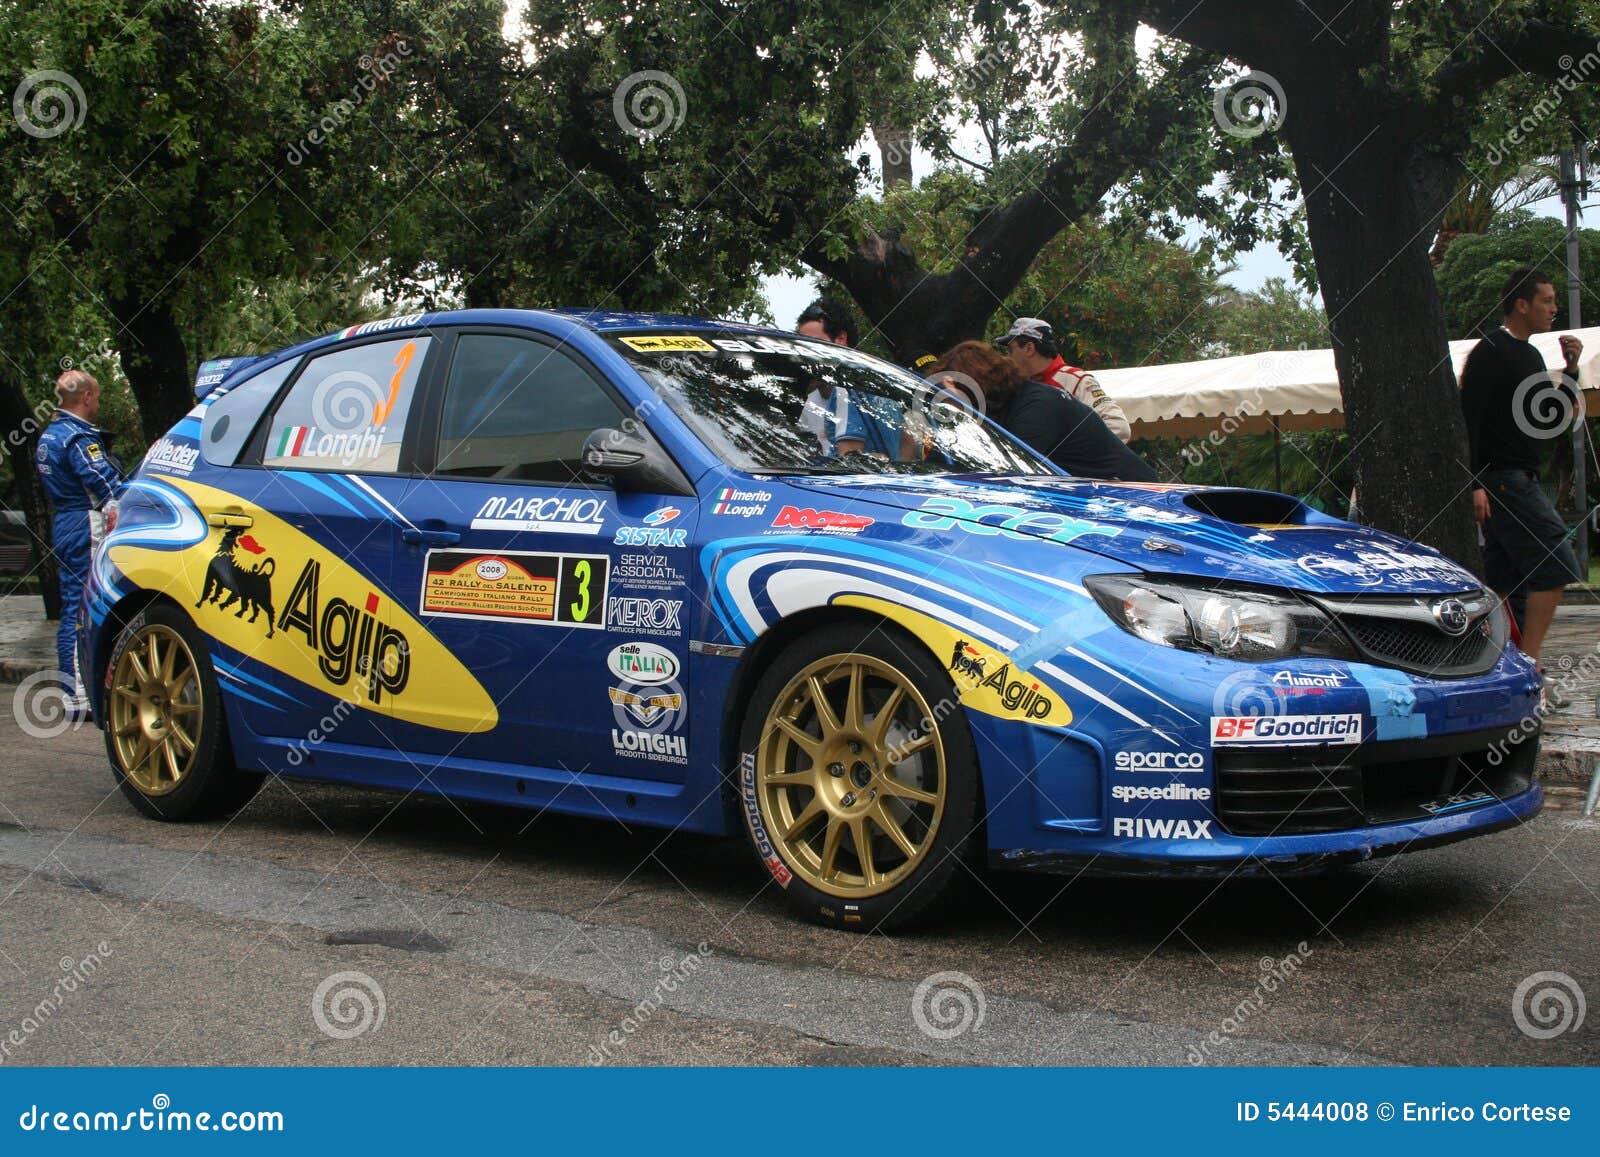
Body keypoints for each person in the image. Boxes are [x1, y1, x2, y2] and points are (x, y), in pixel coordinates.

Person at [1458, 266, 1584, 665]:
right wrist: (1474, 482)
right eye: (1547, 300)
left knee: (1503, 583)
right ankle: (1531, 664)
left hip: (1520, 476)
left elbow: (1548, 417)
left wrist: (1571, 369)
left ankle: (1502, 666)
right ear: (1521, 304)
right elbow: (1468, 419)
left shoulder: (1530, 355)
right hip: (1503, 480)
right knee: (1557, 565)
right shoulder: (1489, 352)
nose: (1554, 308)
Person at [934, 341, 1157, 481]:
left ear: (977, 385)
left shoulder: (1037, 405)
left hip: (1131, 494)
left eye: (959, 394)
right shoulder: (1011, 405)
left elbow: (1005, 475)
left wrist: (960, 415)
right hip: (1096, 497)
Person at [35, 369, 124, 712]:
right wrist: (119, 501)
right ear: (86, 397)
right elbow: (101, 478)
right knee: (81, 604)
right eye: (98, 397)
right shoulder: (78, 437)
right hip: (86, 522)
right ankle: (79, 695)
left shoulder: (49, 435)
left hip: (66, 520)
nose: (97, 403)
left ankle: (74, 690)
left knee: (72, 602)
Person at [997, 317, 1133, 442]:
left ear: (1029, 348)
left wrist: (1072, 458)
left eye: (1010, 349)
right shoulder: (1015, 386)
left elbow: (1119, 427)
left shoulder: (1076, 380)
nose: (1007, 357)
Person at [795, 298, 868, 456]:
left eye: (815, 344)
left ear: (841, 339)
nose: (807, 353)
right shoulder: (813, 399)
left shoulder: (860, 393)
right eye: (803, 346)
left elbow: (851, 466)